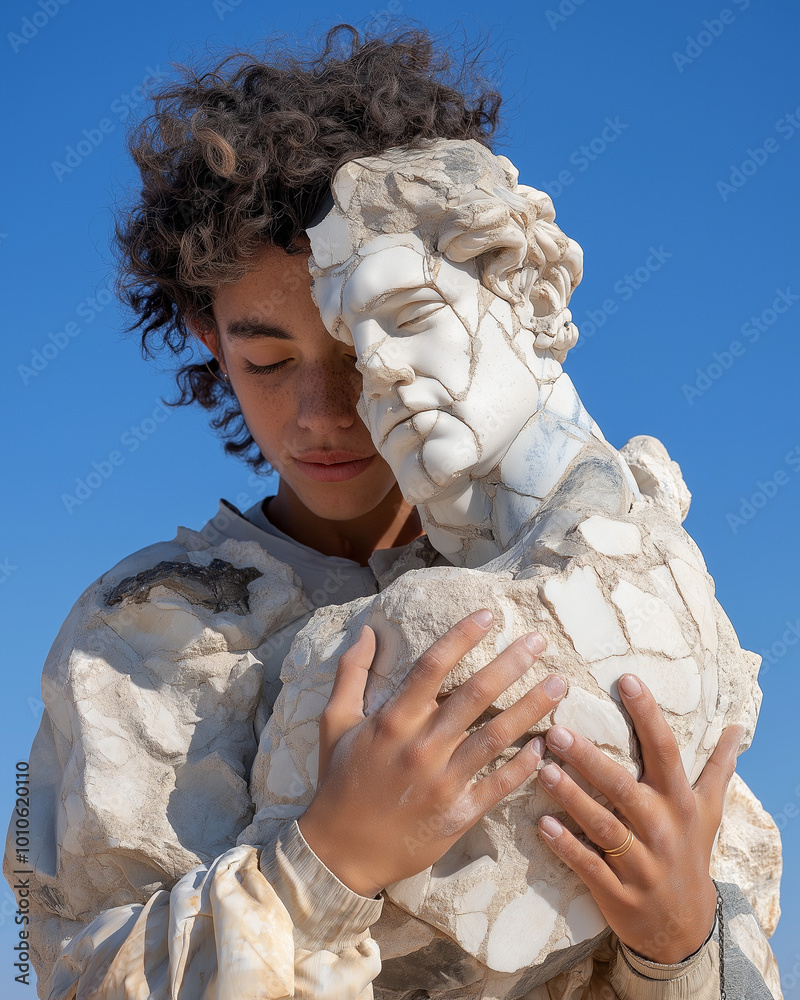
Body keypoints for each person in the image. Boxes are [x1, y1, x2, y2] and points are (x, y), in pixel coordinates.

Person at [5, 24, 782, 1000]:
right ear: (206, 336)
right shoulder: (140, 637)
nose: (326, 413)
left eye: (362, 356)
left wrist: (675, 941)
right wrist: (322, 863)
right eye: (269, 359)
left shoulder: (592, 611)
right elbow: (67, 972)